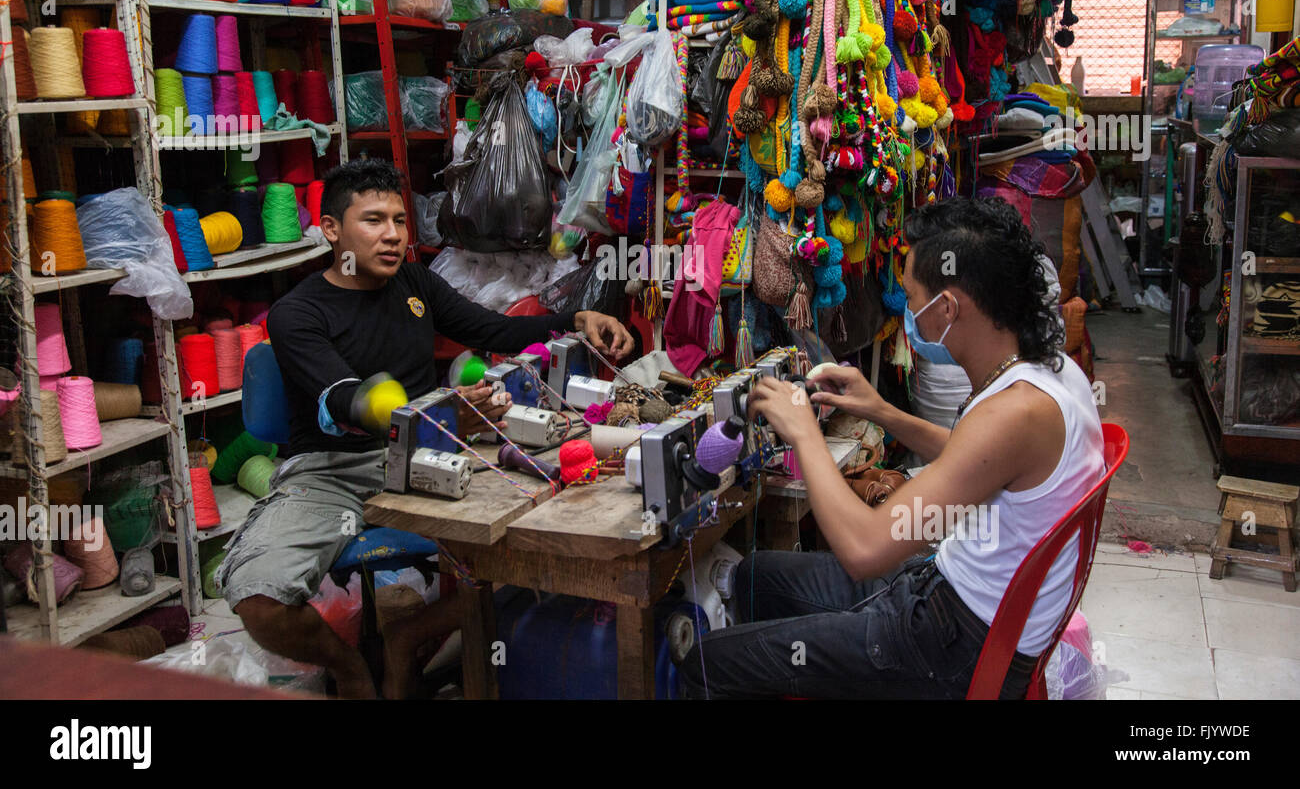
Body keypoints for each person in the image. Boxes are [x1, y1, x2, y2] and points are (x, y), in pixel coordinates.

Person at [216, 159, 633, 699]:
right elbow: (347, 399)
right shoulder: (297, 313)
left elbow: (495, 328)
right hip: (331, 471)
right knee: (257, 596)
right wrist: (440, 416)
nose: (391, 236)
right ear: (331, 230)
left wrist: (576, 319)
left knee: (540, 546)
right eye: (372, 221)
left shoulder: (414, 284)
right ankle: (349, 668)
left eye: (399, 221)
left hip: (427, 453)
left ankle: (408, 636)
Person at [679, 196, 1104, 699]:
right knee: (755, 578)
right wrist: (879, 409)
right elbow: (974, 456)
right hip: (949, 594)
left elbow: (864, 551)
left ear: (947, 307)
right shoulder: (1049, 373)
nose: (907, 310)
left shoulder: (1014, 413)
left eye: (911, 295)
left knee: (705, 664)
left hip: (949, 646)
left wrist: (805, 434)